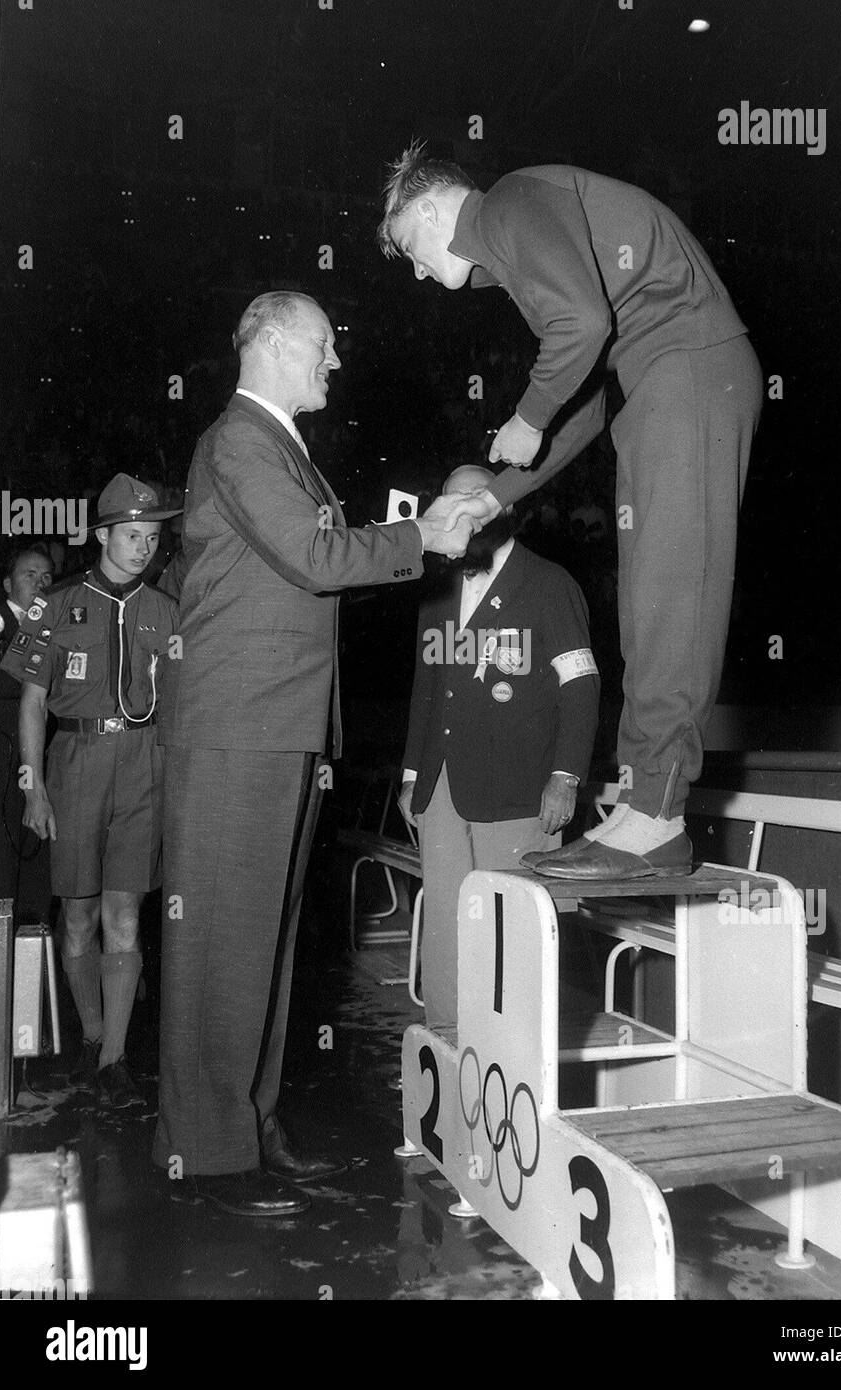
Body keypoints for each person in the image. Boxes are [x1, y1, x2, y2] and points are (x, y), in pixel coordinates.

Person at [153, 291, 476, 1218]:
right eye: (326, 348)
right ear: (281, 346)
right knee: (222, 941)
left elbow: (317, 565)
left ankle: (248, 1128)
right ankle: (209, 1158)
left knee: (265, 941)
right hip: (237, 729)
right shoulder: (242, 443)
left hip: (276, 725)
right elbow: (312, 555)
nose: (336, 364)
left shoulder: (281, 451)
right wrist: (421, 535)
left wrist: (417, 538)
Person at [378, 147, 763, 880]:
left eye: (409, 251)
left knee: (673, 596)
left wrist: (526, 414)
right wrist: (494, 494)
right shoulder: (522, 245)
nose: (420, 273)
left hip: (690, 368)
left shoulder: (512, 202)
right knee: (649, 603)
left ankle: (657, 811)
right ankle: (641, 804)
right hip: (654, 382)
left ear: (428, 208)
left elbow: (580, 328)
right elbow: (585, 403)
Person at [0, 478, 180, 1106]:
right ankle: (92, 1031)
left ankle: (114, 1059)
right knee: (76, 912)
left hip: (144, 763)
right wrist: (35, 788)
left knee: (125, 912)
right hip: (75, 760)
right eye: (131, 535)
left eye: (152, 538)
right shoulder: (56, 605)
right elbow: (32, 701)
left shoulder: (166, 610)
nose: (142, 548)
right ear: (102, 534)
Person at [400, 464, 600, 1029]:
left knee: (511, 923)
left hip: (520, 788)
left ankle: (511, 1060)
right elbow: (426, 687)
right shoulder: (437, 585)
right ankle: (445, 1041)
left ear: (502, 506)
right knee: (445, 918)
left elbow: (582, 685)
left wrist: (566, 775)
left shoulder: (549, 583)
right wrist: (412, 776)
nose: (459, 513)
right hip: (440, 785)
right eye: (448, 501)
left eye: (472, 500)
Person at [0, 544, 55, 914]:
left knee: (35, 851)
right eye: (29, 575)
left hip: (37, 753)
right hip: (1, 750)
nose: (40, 584)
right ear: (7, 584)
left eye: (47, 577)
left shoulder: (54, 622)